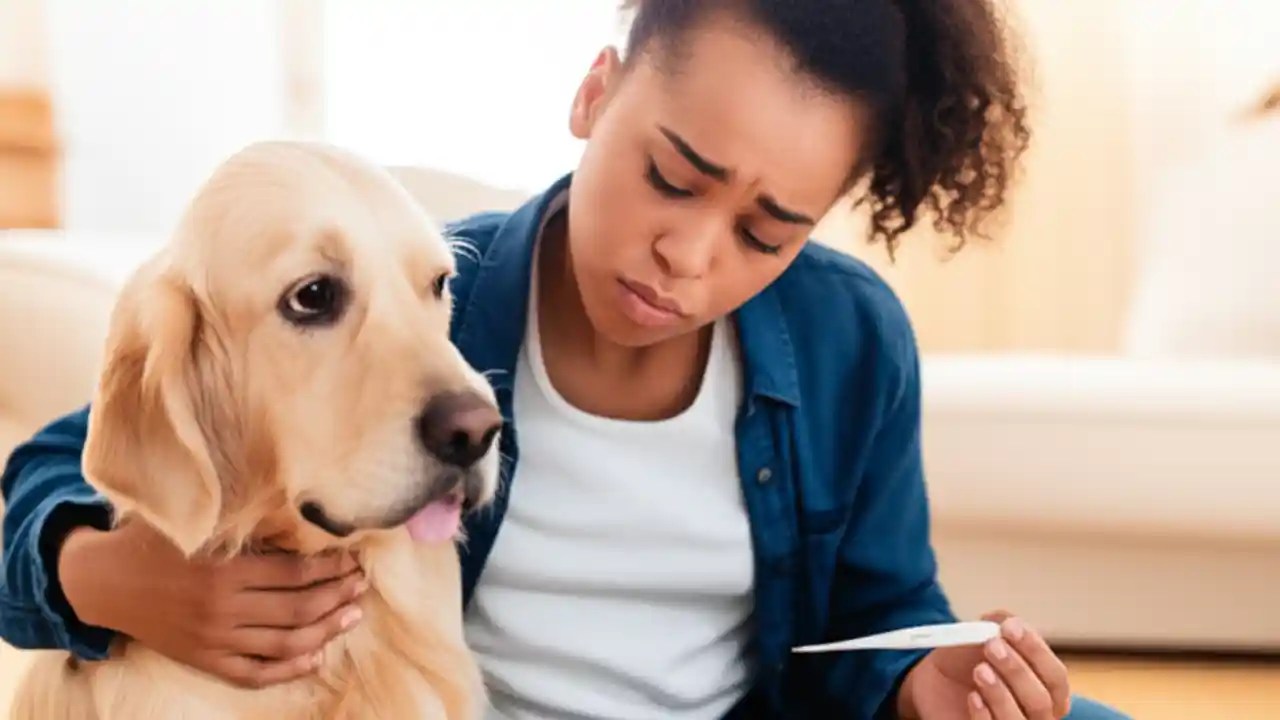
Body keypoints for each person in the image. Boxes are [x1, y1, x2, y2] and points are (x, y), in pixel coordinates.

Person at [0, 1, 1132, 718]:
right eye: (672, 176)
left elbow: (881, 612)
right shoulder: (430, 296)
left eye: (764, 232)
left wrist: (919, 682)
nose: (687, 254)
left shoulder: (852, 339)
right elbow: (69, 464)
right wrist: (106, 580)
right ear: (595, 92)